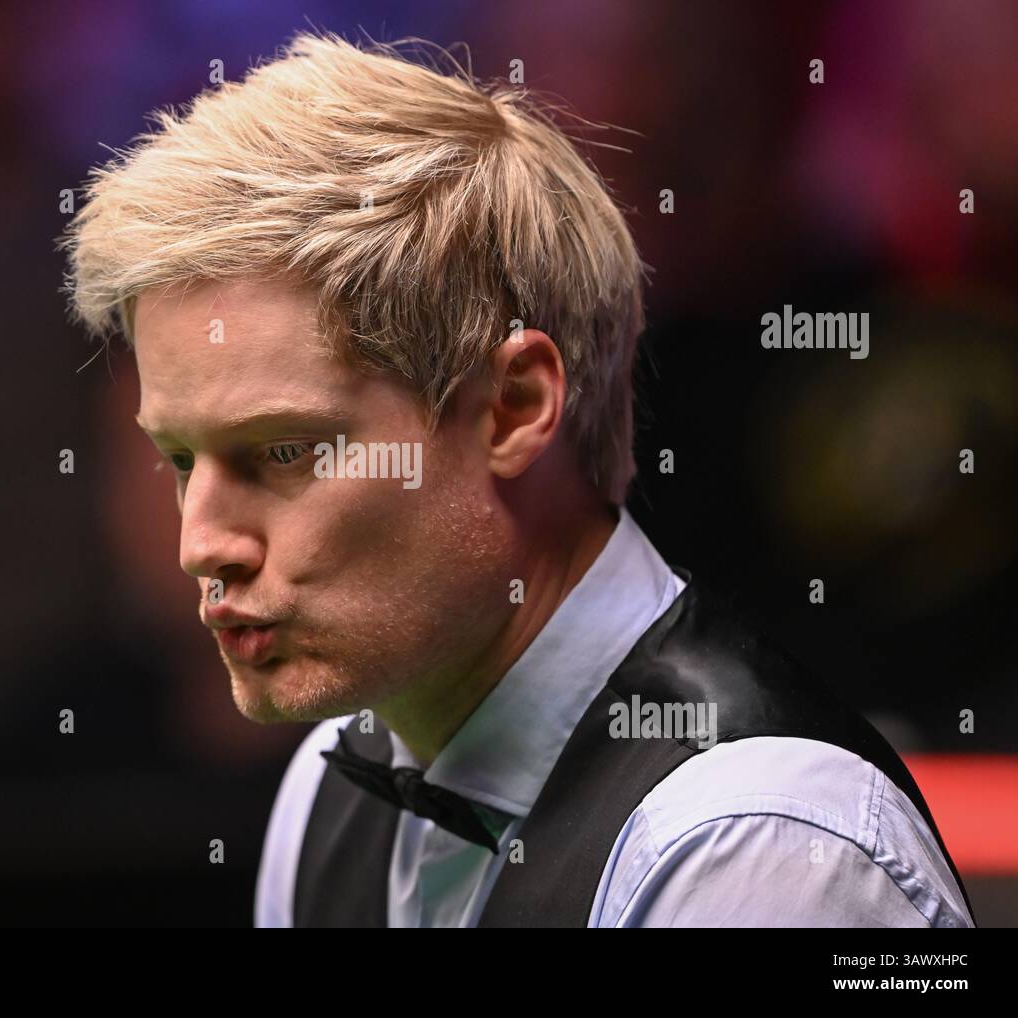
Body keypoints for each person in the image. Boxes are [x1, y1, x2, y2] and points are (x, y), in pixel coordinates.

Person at [62, 30, 975, 927]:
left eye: (285, 451)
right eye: (181, 459)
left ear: (513, 407)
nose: (200, 547)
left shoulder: (756, 847)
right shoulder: (331, 781)